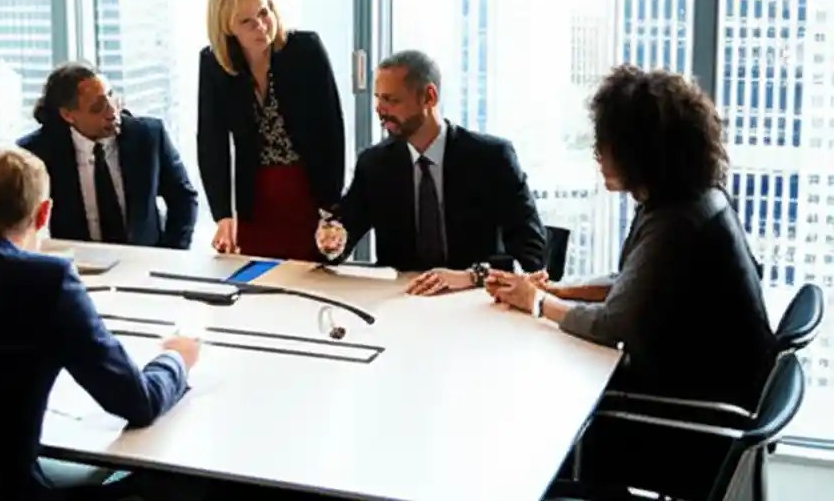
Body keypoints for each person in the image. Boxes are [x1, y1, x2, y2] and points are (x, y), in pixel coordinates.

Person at [485, 65, 775, 499]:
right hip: (704, 395)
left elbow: (613, 326)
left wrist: (537, 303)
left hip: (691, 425)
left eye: (605, 145)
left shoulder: (678, 222)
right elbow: (637, 281)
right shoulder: (689, 200)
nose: (598, 154)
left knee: (548, 419)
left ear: (639, 149)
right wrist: (559, 290)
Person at [0, 147, 199, 500]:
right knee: (174, 484)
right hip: (1, 491)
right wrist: (176, 359)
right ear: (44, 214)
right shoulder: (49, 281)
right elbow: (137, 403)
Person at [315, 50, 546, 293]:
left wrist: (472, 276)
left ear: (429, 97)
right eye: (378, 99)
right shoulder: (375, 164)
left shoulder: (491, 158)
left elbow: (532, 253)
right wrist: (331, 241)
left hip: (476, 301)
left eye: (392, 100)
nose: (380, 110)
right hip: (401, 303)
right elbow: (342, 234)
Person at [198, 0, 345, 261]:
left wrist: (331, 207)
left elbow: (331, 131)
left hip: (308, 187)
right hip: (256, 195)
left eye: (264, 13)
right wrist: (223, 214)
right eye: (246, 21)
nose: (261, 26)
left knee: (312, 276)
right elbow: (211, 140)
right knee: (259, 278)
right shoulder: (214, 63)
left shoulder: (305, 50)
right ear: (227, 28)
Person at [18, 62, 198, 249]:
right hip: (77, 264)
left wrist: (172, 252)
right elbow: (20, 221)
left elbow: (183, 198)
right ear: (68, 115)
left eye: (112, 96)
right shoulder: (36, 154)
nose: (112, 112)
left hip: (144, 261)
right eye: (98, 107)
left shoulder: (149, 136)